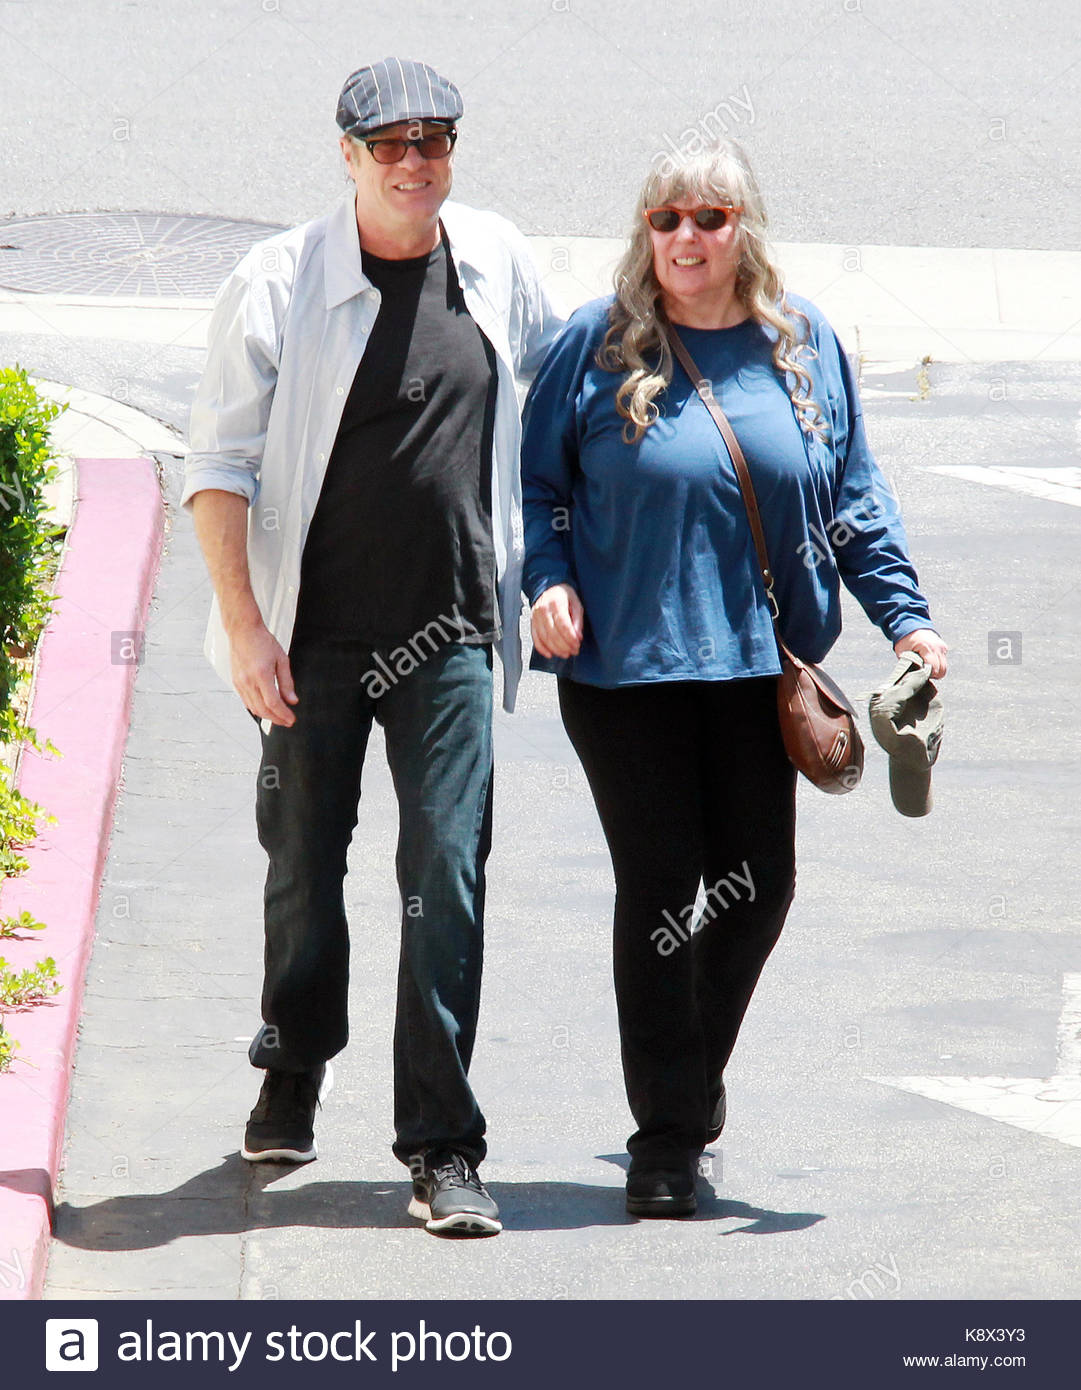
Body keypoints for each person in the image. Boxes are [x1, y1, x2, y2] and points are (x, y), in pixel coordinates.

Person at [520, 140, 948, 1219]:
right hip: (625, 668)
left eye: (708, 217)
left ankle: (689, 1083)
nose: (685, 239)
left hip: (759, 665)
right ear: (644, 232)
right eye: (665, 219)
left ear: (743, 228)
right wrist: (548, 578)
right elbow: (538, 485)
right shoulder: (597, 344)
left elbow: (851, 495)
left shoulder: (801, 346)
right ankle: (666, 1138)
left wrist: (907, 619)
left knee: (756, 885)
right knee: (664, 883)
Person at [182, 57, 560, 1237]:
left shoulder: (495, 261)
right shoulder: (278, 281)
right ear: (345, 155)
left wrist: (551, 576)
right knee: (302, 862)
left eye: (433, 141)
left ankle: (442, 1141)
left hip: (450, 627)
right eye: (388, 143)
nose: (414, 162)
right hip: (309, 637)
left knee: (443, 876)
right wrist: (245, 627)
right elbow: (216, 467)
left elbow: (558, 418)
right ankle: (295, 1054)